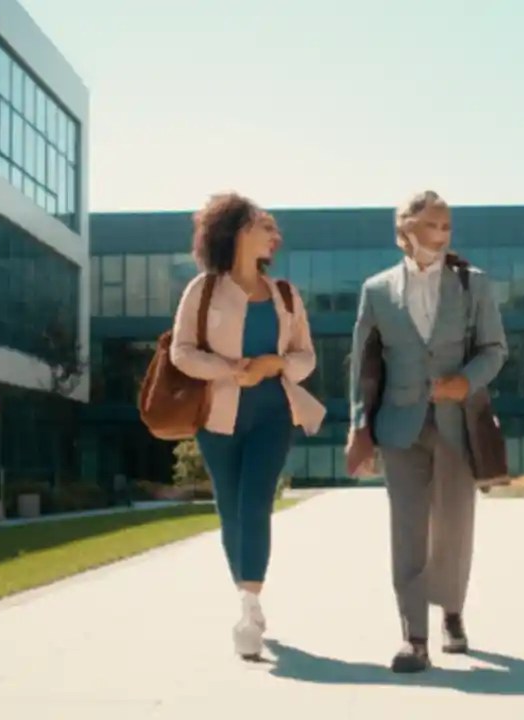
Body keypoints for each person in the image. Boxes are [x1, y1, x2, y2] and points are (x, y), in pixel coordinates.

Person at [346, 190, 507, 673]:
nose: (441, 233)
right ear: (405, 230)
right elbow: (365, 365)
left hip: (457, 425)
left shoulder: (472, 284)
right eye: (432, 225)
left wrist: (465, 381)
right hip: (400, 426)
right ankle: (413, 637)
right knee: (407, 531)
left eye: (447, 226)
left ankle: (452, 611)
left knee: (454, 528)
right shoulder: (376, 290)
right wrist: (360, 426)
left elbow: (495, 349)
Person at [170, 193, 326, 661]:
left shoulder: (284, 294)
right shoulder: (202, 291)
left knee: (256, 502)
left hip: (273, 414)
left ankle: (249, 607)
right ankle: (246, 596)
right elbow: (181, 351)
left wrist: (276, 363)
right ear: (238, 231)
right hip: (217, 417)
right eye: (264, 225)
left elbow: (306, 357)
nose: (274, 235)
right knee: (230, 509)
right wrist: (228, 369)